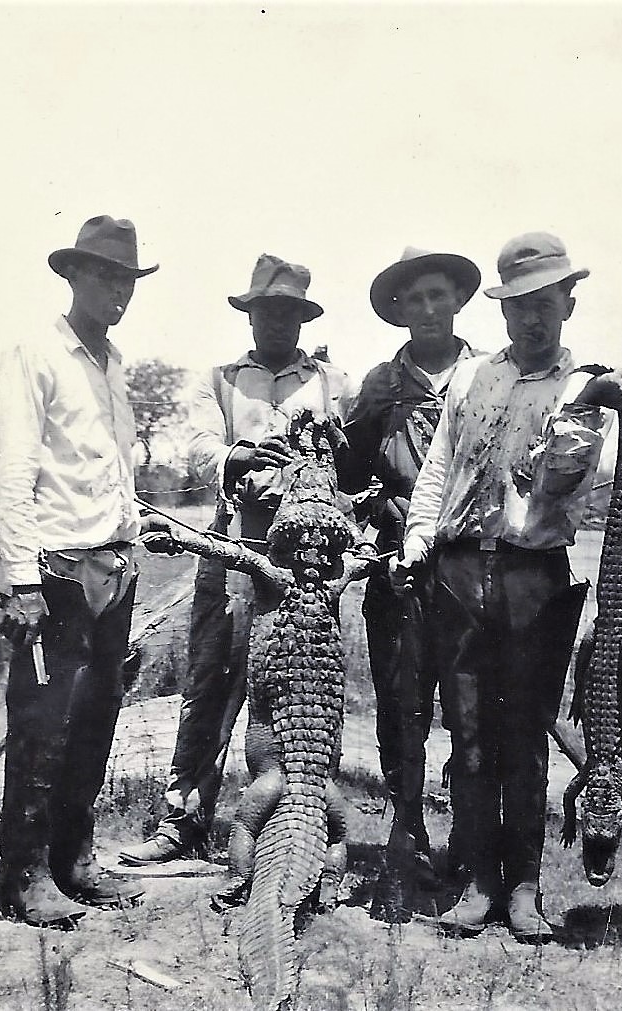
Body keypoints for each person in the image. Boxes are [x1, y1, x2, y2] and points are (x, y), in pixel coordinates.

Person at [392, 232, 622, 942]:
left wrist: (585, 401)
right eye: (518, 305)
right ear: (502, 309)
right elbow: (438, 468)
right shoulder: (468, 377)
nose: (532, 319)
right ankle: (474, 879)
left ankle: (525, 888)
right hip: (458, 569)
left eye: (544, 303)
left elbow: (562, 474)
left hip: (535, 576)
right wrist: (417, 541)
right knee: (467, 732)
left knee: (525, 735)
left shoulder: (580, 387)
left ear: (568, 301)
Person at [119, 253, 354, 865]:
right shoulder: (220, 379)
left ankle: (304, 826)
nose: (276, 322)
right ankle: (184, 818)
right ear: (250, 315)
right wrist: (243, 457)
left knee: (303, 697)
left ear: (303, 318)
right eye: (266, 310)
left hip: (309, 568)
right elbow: (198, 448)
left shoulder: (333, 383)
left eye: (288, 312)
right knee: (211, 682)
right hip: (237, 551)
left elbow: (354, 459)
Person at [0, 215, 158, 926]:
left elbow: (111, 472)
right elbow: (14, 471)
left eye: (125, 278)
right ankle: (24, 872)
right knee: (43, 725)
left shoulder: (114, 362)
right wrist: (23, 580)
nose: (116, 290)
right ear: (73, 275)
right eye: (103, 275)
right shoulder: (36, 353)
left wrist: (135, 530)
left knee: (95, 720)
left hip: (115, 566)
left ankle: (73, 857)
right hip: (57, 572)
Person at [336, 246, 481, 886]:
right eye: (413, 299)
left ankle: (473, 845)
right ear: (398, 310)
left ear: (457, 301)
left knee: (471, 701)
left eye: (437, 296)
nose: (426, 310)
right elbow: (350, 470)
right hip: (398, 563)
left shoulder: (489, 378)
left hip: (473, 564)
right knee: (402, 701)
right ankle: (407, 830)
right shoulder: (380, 386)